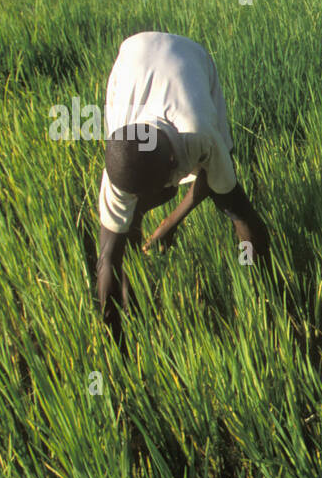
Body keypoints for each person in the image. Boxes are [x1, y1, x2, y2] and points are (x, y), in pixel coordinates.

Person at [95, 31, 270, 339]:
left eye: (156, 192)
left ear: (175, 167)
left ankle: (266, 293)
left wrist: (169, 222)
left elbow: (228, 198)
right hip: (131, 59)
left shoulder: (200, 134)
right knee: (116, 242)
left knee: (234, 205)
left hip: (187, 57)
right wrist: (113, 340)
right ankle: (127, 303)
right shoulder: (120, 163)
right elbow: (106, 258)